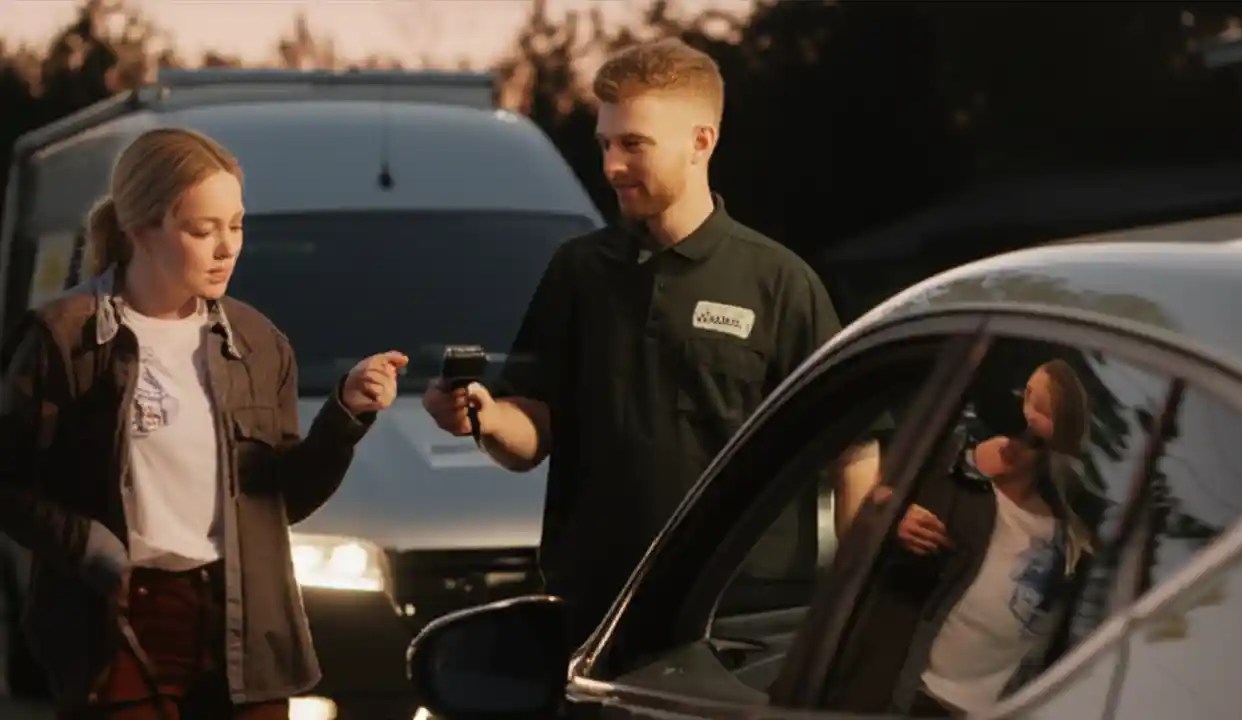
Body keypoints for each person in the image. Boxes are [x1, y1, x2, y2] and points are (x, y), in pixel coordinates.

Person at [423, 38, 842, 643]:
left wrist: (850, 611)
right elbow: (532, 436)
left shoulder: (779, 282)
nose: (611, 167)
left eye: (633, 145)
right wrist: (483, 416)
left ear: (702, 142)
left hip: (743, 619)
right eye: (605, 144)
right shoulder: (578, 271)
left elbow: (852, 450)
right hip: (597, 615)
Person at [0, 127, 407, 719]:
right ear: (142, 229)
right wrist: (87, 545)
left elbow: (281, 501)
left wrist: (345, 415)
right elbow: (9, 484)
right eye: (202, 229)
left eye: (236, 226)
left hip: (245, 620)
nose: (227, 248)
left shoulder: (258, 343)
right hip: (120, 622)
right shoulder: (65, 338)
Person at [814, 359, 1095, 717]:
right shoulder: (944, 470)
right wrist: (887, 511)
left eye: (1041, 413)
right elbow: (862, 476)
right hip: (913, 700)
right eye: (1023, 400)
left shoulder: (1071, 529)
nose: (1023, 420)